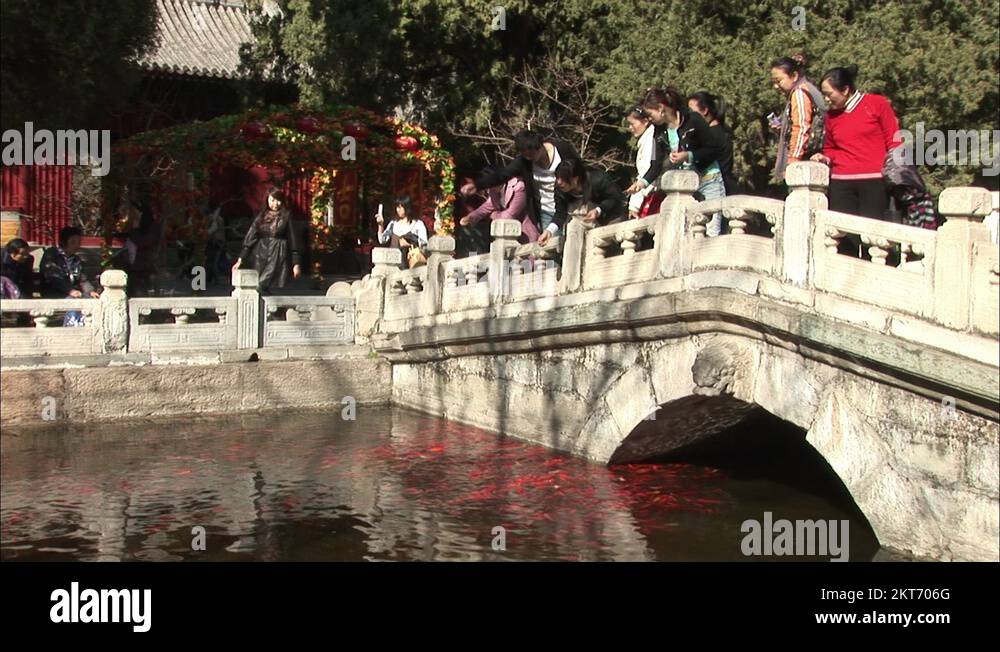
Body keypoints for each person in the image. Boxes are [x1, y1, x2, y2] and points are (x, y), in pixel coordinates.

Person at [626, 87, 726, 236]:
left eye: (649, 114)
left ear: (660, 108)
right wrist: (642, 183)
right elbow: (656, 163)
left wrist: (688, 156)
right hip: (688, 187)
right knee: (690, 234)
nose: (649, 118)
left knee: (712, 232)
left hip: (708, 181)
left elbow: (713, 150)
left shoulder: (693, 120)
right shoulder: (658, 132)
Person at [460, 130, 583, 246]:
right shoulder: (524, 162)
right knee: (552, 245)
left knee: (578, 241)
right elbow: (502, 175)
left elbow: (582, 171)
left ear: (540, 146)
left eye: (532, 155)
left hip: (574, 203)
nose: (529, 158)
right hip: (548, 208)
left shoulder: (563, 150)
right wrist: (477, 185)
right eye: (526, 156)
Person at [810, 65, 901, 220]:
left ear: (845, 90)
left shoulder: (876, 104)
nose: (826, 99)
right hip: (841, 182)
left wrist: (896, 174)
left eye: (828, 94)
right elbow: (830, 148)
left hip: (874, 181)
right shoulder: (831, 117)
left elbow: (894, 140)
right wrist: (825, 158)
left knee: (872, 233)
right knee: (844, 236)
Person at [769, 54, 826, 182]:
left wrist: (793, 160)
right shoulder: (806, 88)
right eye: (773, 82)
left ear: (794, 76)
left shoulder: (800, 93)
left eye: (778, 81)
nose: (776, 86)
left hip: (807, 162)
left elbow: (801, 127)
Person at [232, 188, 302, 291]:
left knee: (263, 284)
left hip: (278, 254)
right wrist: (240, 260)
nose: (275, 204)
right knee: (257, 286)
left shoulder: (286, 216)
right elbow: (251, 238)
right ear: (267, 200)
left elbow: (293, 241)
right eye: (272, 200)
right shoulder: (261, 216)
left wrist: (296, 264)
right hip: (260, 254)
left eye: (278, 200)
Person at [688, 91, 740, 196]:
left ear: (705, 111)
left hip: (718, 189)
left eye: (692, 111)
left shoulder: (713, 135)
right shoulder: (719, 131)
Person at [459, 176, 534, 243]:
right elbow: (488, 206)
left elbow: (510, 215)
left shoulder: (518, 187)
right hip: (503, 235)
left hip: (524, 233)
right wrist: (471, 217)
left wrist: (493, 215)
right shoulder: (493, 190)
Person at [554, 158, 625, 227]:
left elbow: (615, 197)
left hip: (610, 217)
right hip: (583, 223)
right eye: (557, 177)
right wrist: (550, 230)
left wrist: (598, 210)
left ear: (575, 178)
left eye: (564, 178)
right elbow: (560, 212)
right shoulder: (560, 188)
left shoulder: (598, 180)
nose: (559, 182)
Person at [625, 107, 665, 218]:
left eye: (632, 124)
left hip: (654, 193)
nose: (630, 128)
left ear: (646, 121)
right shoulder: (648, 139)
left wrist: (635, 204)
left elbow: (647, 171)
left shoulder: (650, 141)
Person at [40, 226, 99, 299]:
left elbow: (82, 280)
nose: (77, 246)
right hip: (54, 293)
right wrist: (70, 290)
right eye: (73, 242)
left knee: (91, 301)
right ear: (64, 242)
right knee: (73, 302)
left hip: (73, 292)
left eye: (79, 242)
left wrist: (90, 291)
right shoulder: (51, 255)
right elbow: (54, 278)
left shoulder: (76, 259)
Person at [376, 195, 428, 269]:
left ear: (407, 207)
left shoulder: (417, 224)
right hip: (394, 262)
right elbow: (382, 240)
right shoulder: (393, 224)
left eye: (401, 207)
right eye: (397, 207)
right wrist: (380, 225)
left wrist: (409, 244)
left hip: (410, 263)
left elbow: (424, 245)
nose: (398, 210)